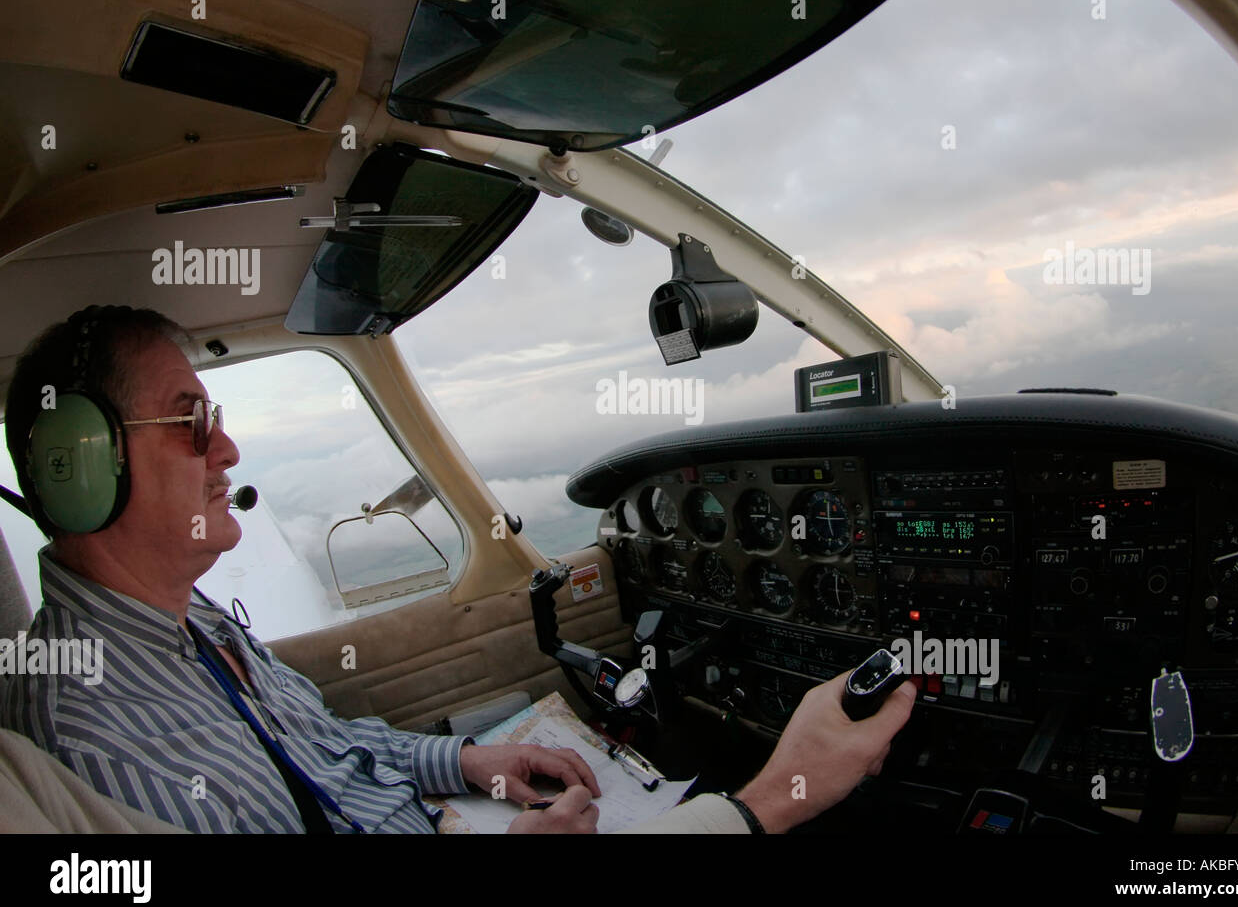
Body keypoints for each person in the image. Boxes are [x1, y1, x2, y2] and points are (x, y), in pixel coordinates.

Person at [0, 306, 914, 833]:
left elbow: (326, 751)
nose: (227, 447)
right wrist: (774, 797)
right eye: (191, 418)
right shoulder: (100, 738)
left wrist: (468, 760)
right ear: (80, 464)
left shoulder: (188, 623)